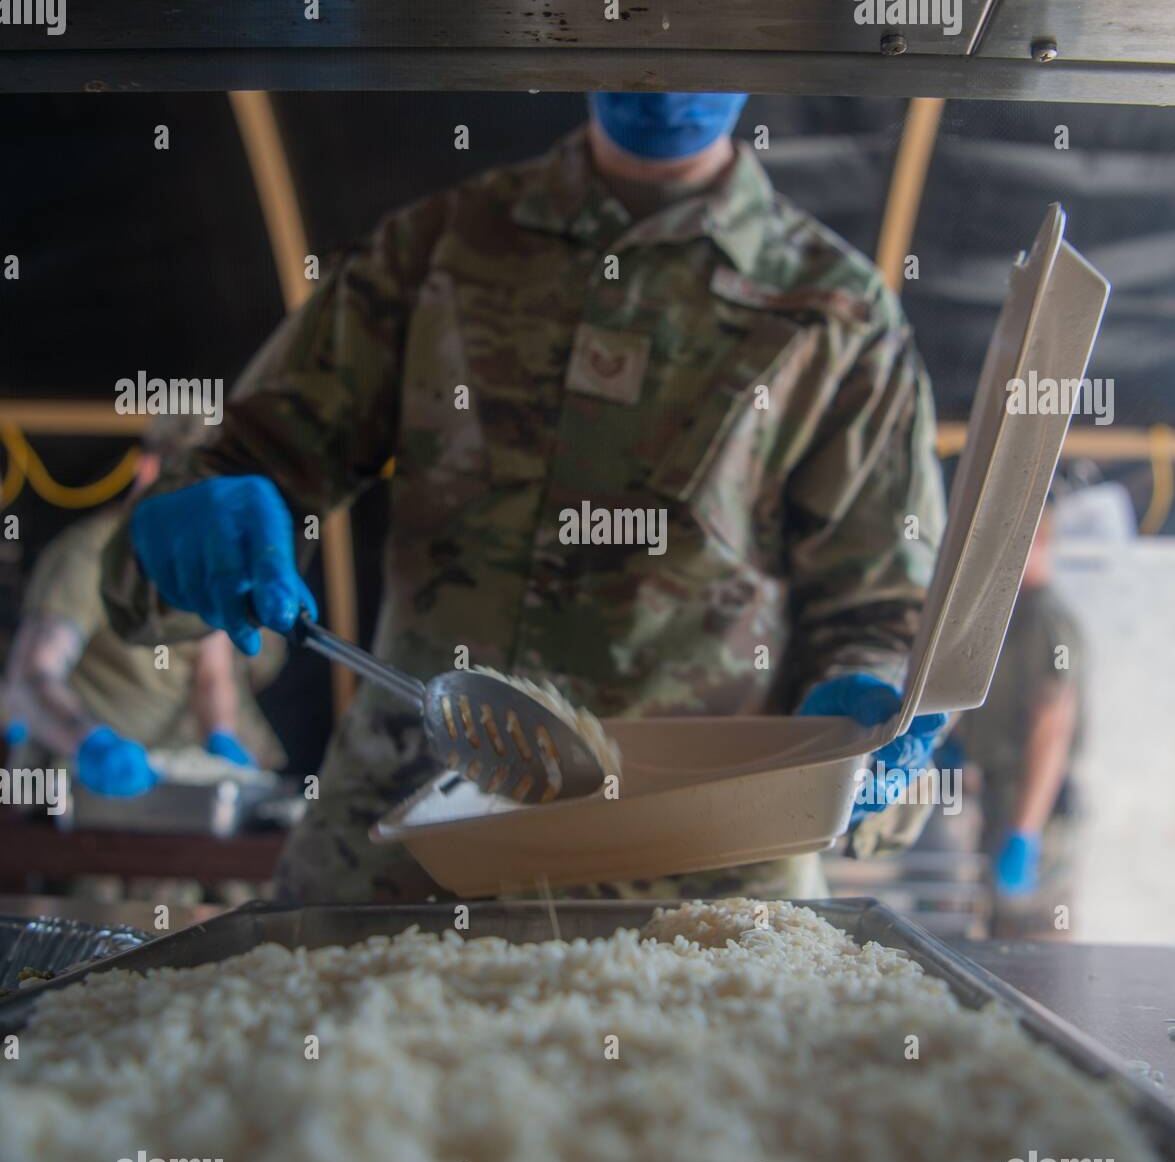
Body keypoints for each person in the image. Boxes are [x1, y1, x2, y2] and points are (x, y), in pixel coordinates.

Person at [102, 92, 947, 902]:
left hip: (699, 879)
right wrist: (188, 525)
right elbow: (243, 472)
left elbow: (883, 608)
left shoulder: (839, 315)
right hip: (400, 851)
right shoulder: (437, 248)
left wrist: (873, 706)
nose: (662, 62)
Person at [3, 417, 284, 795]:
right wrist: (91, 743)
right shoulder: (91, 555)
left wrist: (221, 738)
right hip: (92, 786)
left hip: (185, 780)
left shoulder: (202, 553)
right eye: (196, 487)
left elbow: (211, 672)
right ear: (150, 471)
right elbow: (32, 677)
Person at [953, 508, 1082, 915]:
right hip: (1000, 799)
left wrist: (1024, 833)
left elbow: (1053, 729)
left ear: (1040, 544)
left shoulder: (1046, 620)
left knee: (1028, 946)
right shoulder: (1014, 615)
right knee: (995, 933)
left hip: (1031, 809)